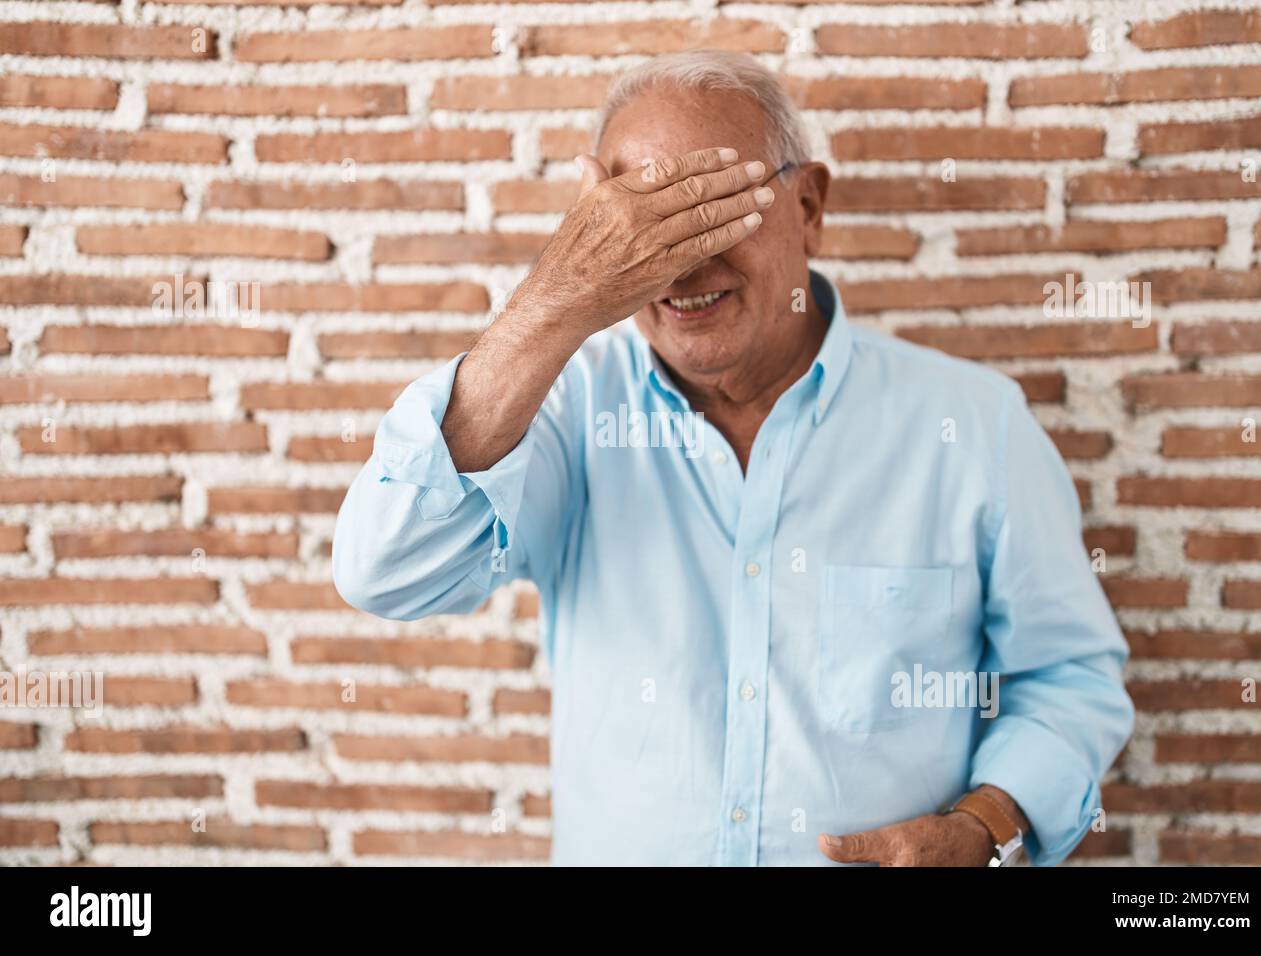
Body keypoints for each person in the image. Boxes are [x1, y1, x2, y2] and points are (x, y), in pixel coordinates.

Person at [333, 50, 1134, 866]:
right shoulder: (563, 413)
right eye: (640, 227)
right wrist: (555, 301)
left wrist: (985, 826)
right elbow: (387, 569)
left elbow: (1069, 675)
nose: (680, 263)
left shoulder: (972, 424)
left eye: (716, 208)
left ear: (810, 205)